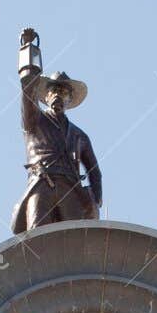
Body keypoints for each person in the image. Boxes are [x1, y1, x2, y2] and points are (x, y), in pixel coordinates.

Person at [11, 30, 102, 234]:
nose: (57, 96)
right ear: (46, 96)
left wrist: (95, 201)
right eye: (53, 91)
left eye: (63, 92)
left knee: (77, 238)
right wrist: (28, 65)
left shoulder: (79, 136)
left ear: (70, 99)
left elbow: (94, 171)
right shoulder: (34, 121)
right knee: (36, 237)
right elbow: (27, 94)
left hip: (71, 189)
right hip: (41, 184)